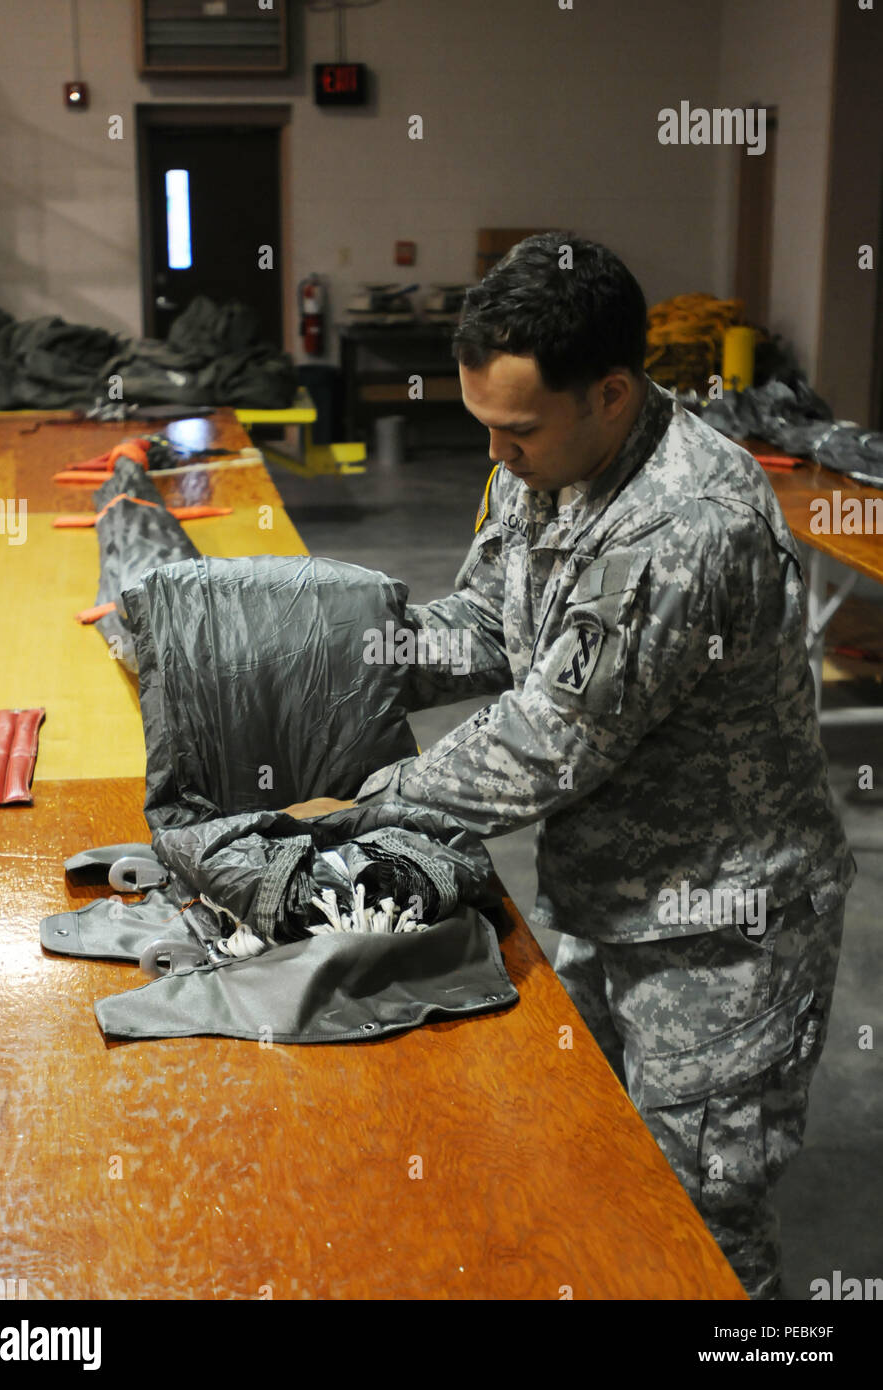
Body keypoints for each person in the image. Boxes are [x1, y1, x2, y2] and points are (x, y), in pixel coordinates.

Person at [285, 233, 855, 1300]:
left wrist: (364, 808)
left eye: (516, 432)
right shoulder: (551, 463)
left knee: (700, 1223)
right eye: (485, 429)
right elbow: (491, 630)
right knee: (606, 1173)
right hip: (615, 895)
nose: (498, 457)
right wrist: (319, 656)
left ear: (611, 392)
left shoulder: (685, 524)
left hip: (719, 932)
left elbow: (551, 737)